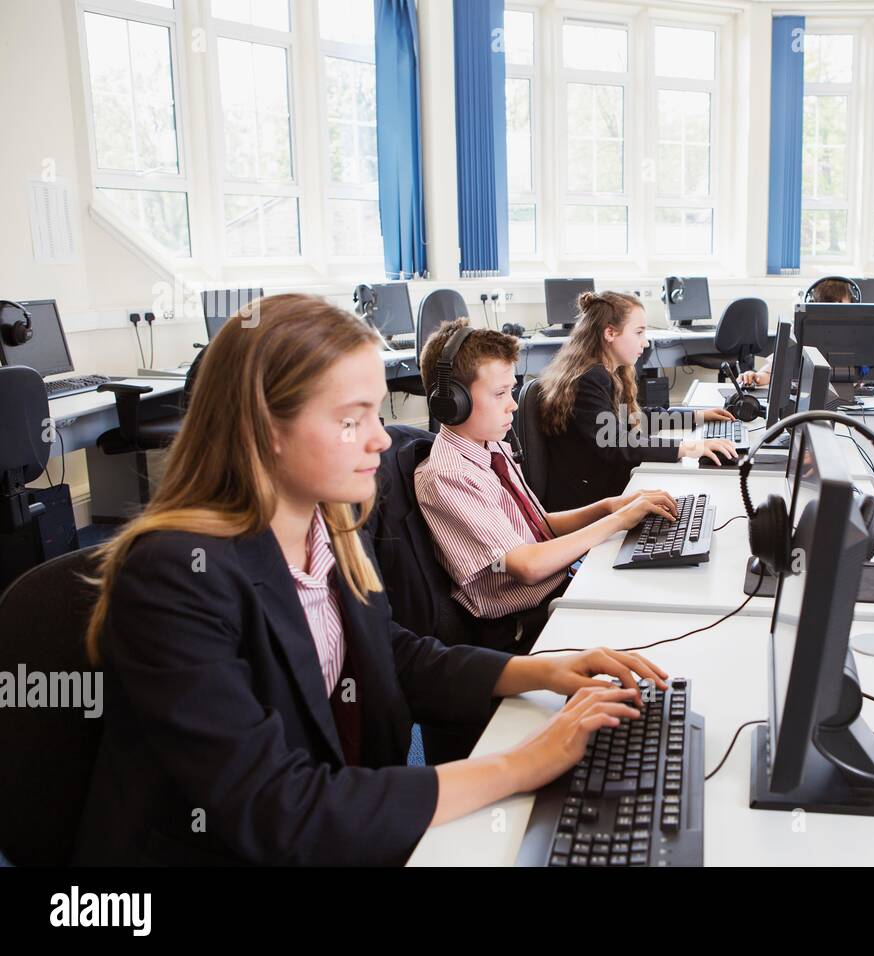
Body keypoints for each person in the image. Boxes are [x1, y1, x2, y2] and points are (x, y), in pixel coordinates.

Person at [74, 294, 666, 866]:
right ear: (265, 427)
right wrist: (522, 764)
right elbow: (275, 808)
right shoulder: (174, 578)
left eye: (375, 414)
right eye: (351, 419)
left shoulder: (329, 527)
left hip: (341, 815)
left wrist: (542, 670)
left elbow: (391, 652)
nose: (382, 439)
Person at [415, 319, 682, 650]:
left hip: (556, 591)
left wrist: (609, 506)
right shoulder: (449, 476)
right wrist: (617, 521)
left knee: (663, 590)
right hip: (525, 627)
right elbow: (527, 565)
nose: (512, 404)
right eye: (499, 393)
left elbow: (539, 527)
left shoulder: (490, 446)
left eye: (511, 390)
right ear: (451, 402)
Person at [536, 291, 738, 511]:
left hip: (602, 483)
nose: (645, 341)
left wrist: (696, 416)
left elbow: (634, 417)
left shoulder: (609, 371)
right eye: (639, 332)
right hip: (587, 500)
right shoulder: (590, 378)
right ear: (610, 333)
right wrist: (689, 447)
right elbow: (615, 441)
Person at [738, 278, 853, 388]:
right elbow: (772, 371)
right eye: (827, 303)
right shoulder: (799, 329)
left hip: (857, 396)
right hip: (812, 393)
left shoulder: (859, 333)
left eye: (840, 302)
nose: (834, 310)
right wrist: (755, 377)